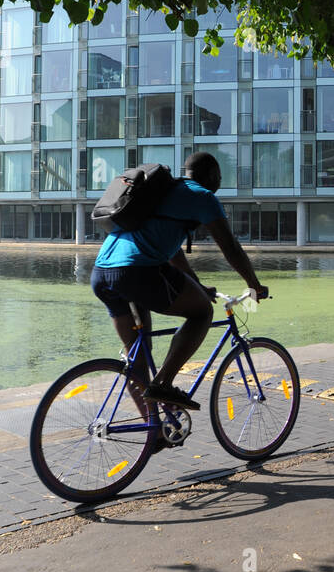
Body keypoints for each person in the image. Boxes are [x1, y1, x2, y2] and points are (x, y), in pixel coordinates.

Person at [90, 152, 268, 410]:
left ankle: (155, 432)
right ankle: (163, 384)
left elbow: (172, 251)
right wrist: (253, 283)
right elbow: (230, 247)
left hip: (102, 272)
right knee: (202, 314)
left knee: (137, 359)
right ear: (212, 175)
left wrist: (196, 284)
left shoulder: (164, 192)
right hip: (137, 271)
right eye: (219, 176)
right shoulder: (203, 197)